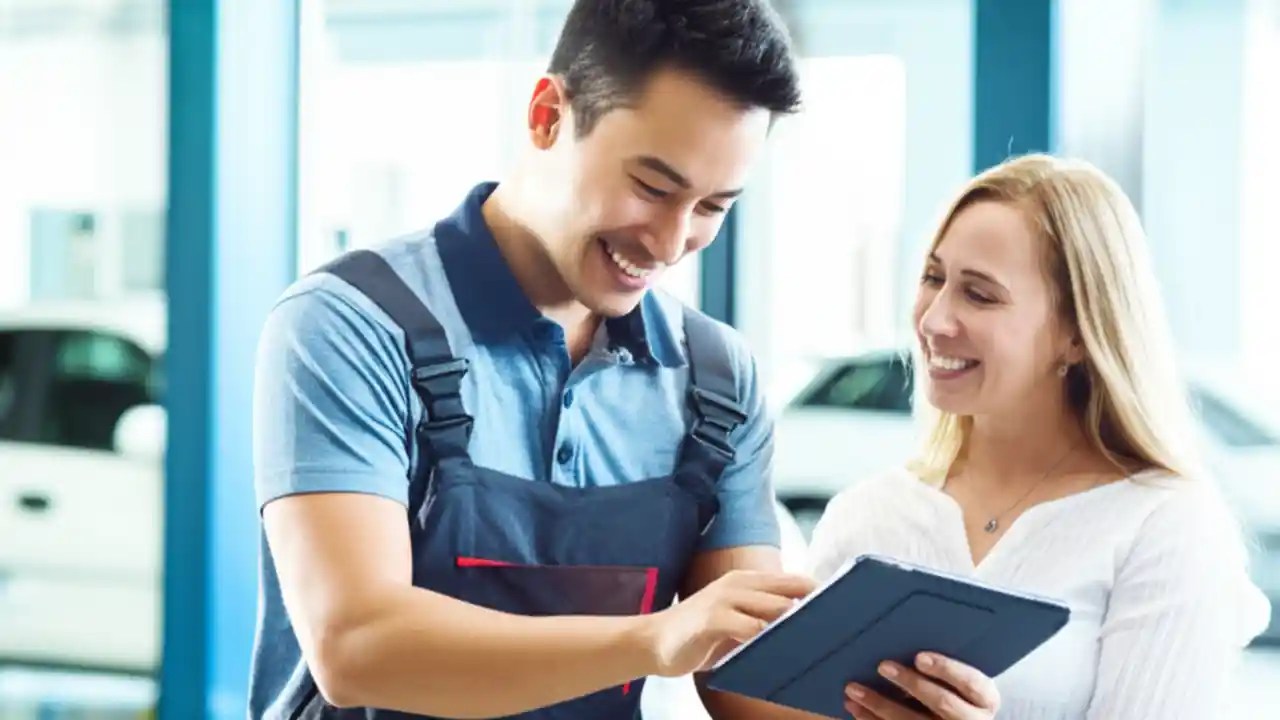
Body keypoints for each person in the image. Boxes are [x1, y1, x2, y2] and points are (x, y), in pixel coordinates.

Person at [247, 2, 839, 718]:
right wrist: (650, 640)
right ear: (547, 116)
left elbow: (749, 682)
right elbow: (358, 646)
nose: (670, 241)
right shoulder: (351, 325)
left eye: (713, 206)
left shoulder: (716, 380)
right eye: (652, 187)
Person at [808, 154, 1272, 720]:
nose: (933, 321)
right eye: (934, 278)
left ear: (1077, 335)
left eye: (979, 294)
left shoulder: (1164, 526)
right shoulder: (869, 514)